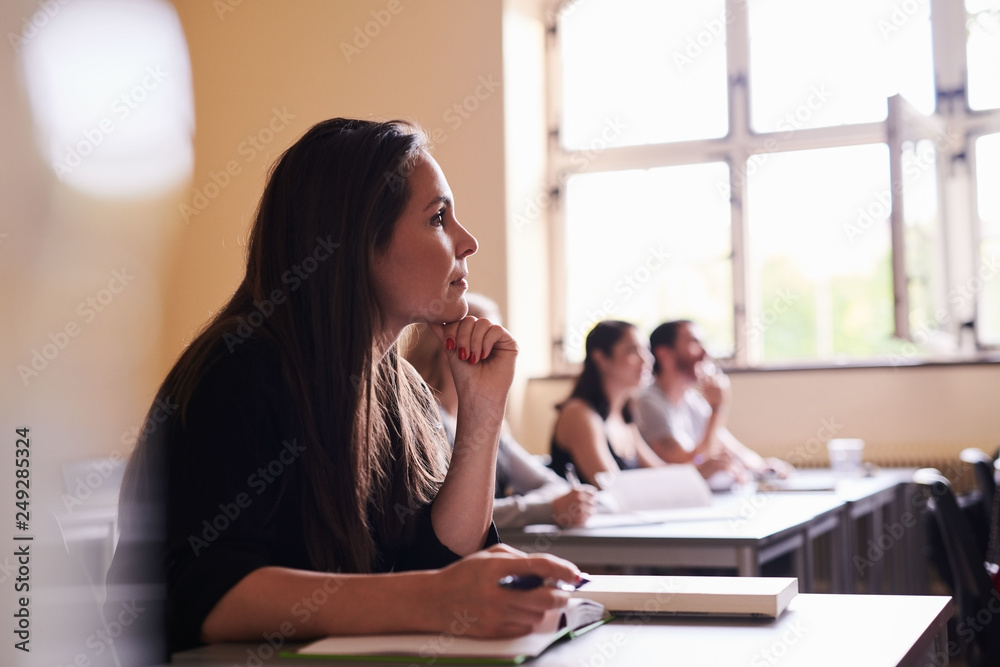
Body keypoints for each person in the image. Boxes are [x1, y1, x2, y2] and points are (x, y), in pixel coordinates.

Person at [105, 118, 581, 663]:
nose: (467, 242)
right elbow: (203, 592)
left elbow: (440, 557)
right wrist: (431, 601)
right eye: (437, 219)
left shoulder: (399, 386)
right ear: (354, 242)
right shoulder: (237, 371)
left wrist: (482, 409)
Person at [404, 293, 597, 529]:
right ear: (448, 344)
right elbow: (443, 516)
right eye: (486, 338)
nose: (498, 350)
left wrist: (522, 507)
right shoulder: (423, 419)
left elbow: (553, 485)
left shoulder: (487, 420)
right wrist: (543, 509)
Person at [632, 319, 793, 487]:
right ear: (664, 354)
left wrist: (762, 466)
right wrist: (717, 408)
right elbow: (690, 461)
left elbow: (727, 446)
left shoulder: (691, 400)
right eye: (694, 343)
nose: (704, 353)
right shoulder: (648, 403)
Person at [549, 320, 667, 488]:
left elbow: (660, 472)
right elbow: (612, 488)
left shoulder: (623, 414)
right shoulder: (579, 413)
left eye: (646, 350)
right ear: (601, 358)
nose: (647, 360)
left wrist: (697, 471)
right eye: (632, 351)